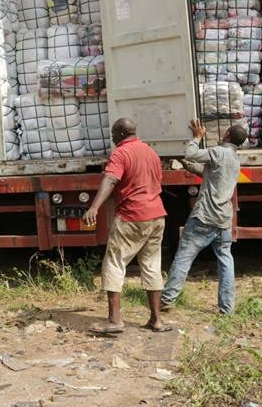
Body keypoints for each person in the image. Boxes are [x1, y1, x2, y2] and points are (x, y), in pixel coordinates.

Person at [83, 118, 170, 334]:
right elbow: (156, 180)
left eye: (113, 134)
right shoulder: (150, 152)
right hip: (157, 215)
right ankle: (156, 320)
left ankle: (114, 321)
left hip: (133, 215)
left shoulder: (120, 154)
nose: (112, 138)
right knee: (151, 264)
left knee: (114, 262)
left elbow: (110, 179)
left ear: (121, 133)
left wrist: (94, 207)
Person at [161, 119, 245, 314]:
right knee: (225, 261)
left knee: (184, 257)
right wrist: (183, 163)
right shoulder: (233, 159)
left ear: (226, 136)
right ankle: (227, 308)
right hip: (223, 219)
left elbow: (191, 153)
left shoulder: (218, 152)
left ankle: (167, 298)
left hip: (204, 217)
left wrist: (197, 137)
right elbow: (206, 173)